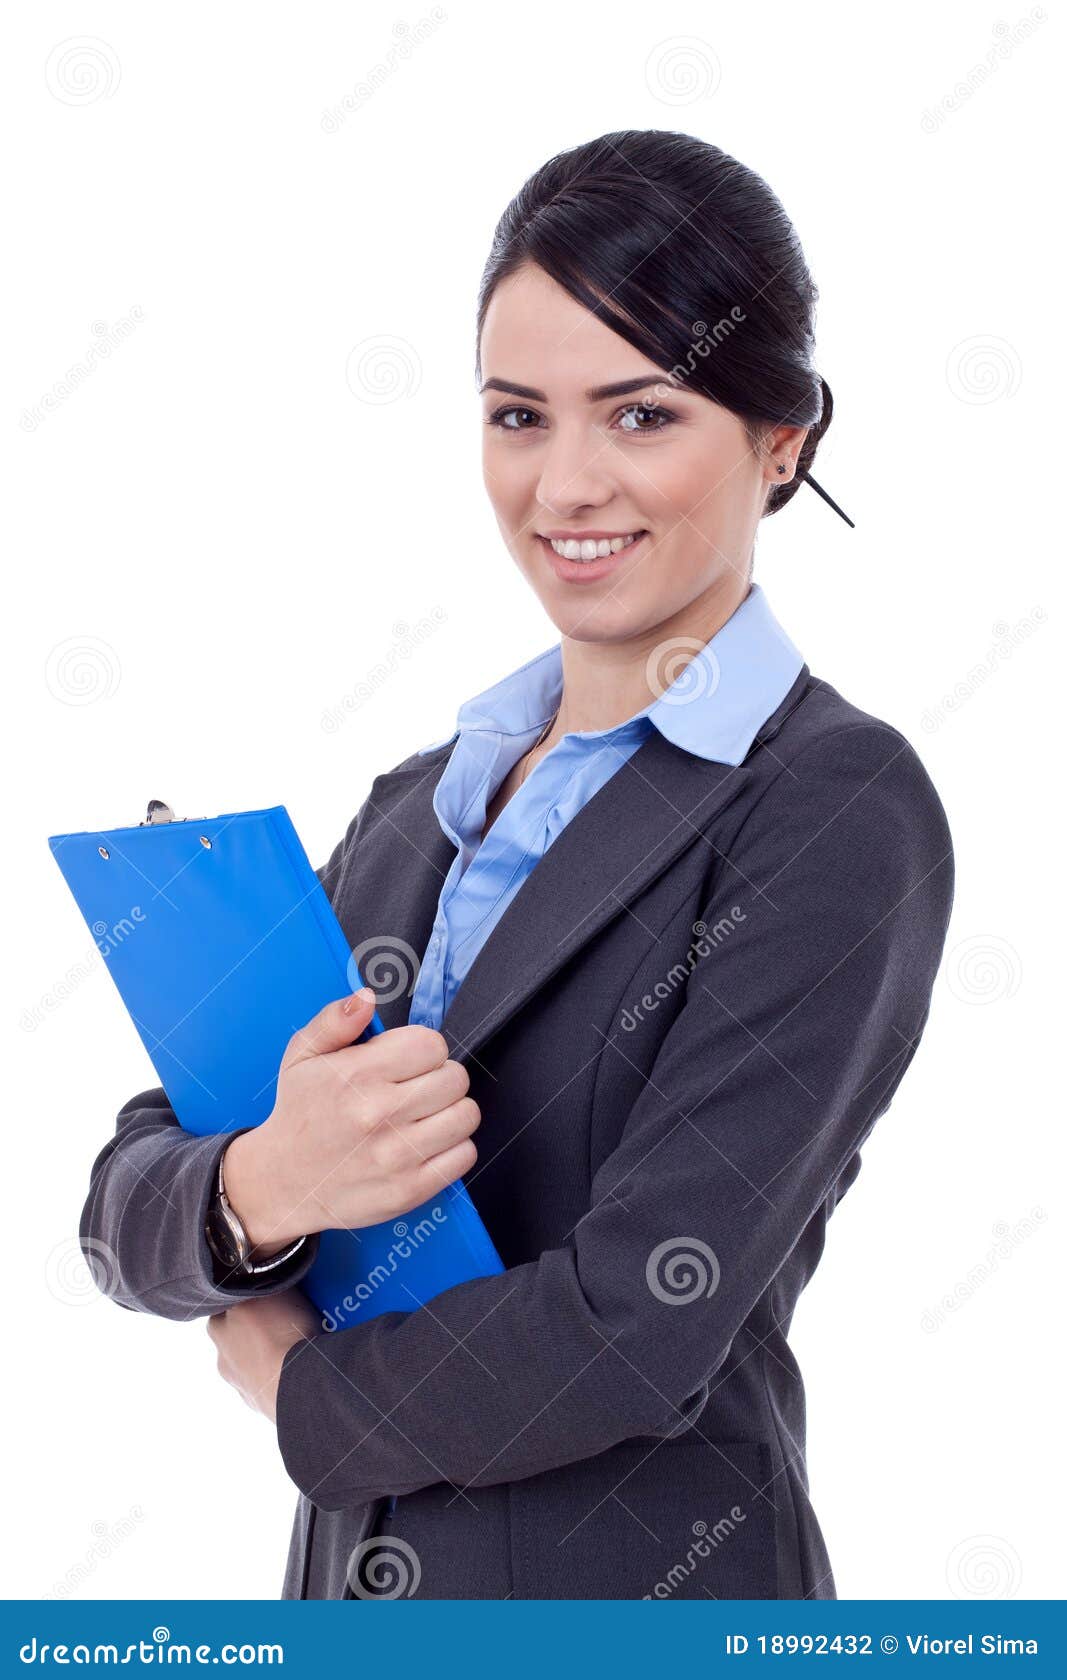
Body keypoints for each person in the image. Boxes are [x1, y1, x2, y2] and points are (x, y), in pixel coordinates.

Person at [80, 129, 954, 1601]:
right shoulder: (421, 803)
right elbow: (128, 1192)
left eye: (641, 413)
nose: (566, 484)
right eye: (517, 416)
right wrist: (260, 1183)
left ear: (782, 441)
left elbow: (641, 1316)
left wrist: (301, 1396)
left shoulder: (834, 804)